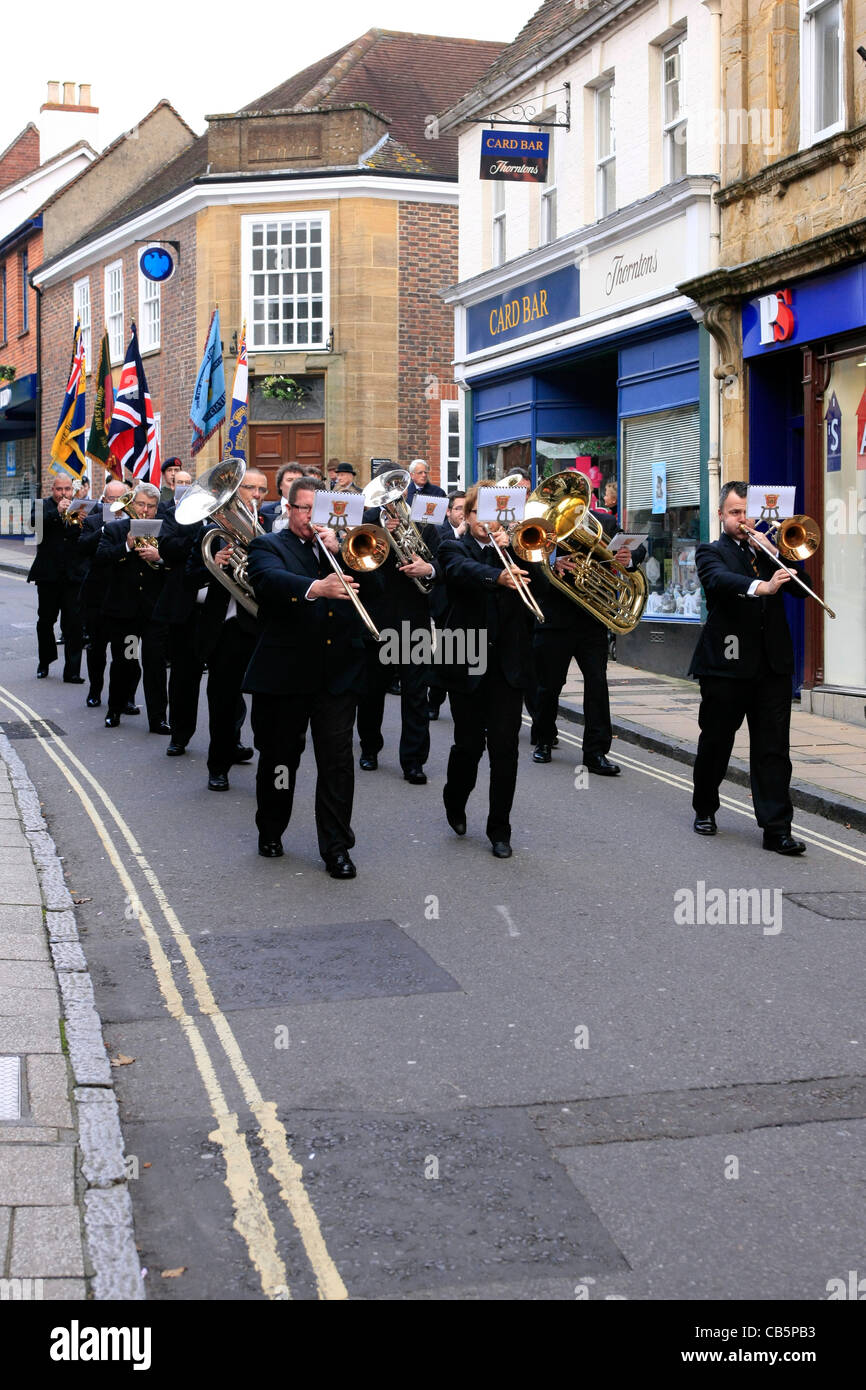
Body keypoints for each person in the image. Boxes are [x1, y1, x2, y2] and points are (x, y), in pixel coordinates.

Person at [243, 477, 373, 875]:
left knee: (337, 763)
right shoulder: (269, 545)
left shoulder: (345, 548)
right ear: (288, 509)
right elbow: (268, 581)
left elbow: (379, 587)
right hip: (287, 673)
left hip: (336, 676)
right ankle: (272, 827)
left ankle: (336, 847)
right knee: (281, 760)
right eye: (304, 510)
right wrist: (316, 586)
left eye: (319, 512)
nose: (311, 519)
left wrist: (345, 557)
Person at [689, 480, 807, 855]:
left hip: (772, 665)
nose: (743, 519)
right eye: (735, 512)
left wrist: (778, 554)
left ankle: (777, 829)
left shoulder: (770, 551)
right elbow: (720, 581)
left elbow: (803, 590)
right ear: (721, 515)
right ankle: (705, 807)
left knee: (774, 749)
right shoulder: (711, 552)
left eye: (747, 512)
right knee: (716, 741)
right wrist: (762, 586)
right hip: (726, 663)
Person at [436, 484, 544, 858]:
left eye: (496, 513)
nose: (488, 520)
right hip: (466, 659)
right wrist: (496, 576)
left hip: (507, 666)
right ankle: (455, 798)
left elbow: (540, 586)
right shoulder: (453, 547)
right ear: (466, 517)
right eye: (480, 512)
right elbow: (459, 572)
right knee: (468, 746)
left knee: (505, 749)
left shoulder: (516, 549)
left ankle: (500, 828)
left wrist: (526, 554)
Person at [531, 489, 644, 774]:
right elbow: (529, 561)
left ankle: (595, 753)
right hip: (554, 618)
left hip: (591, 618)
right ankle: (543, 739)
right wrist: (552, 561)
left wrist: (628, 557)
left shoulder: (604, 522)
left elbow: (640, 548)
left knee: (597, 684)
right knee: (549, 685)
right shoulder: (543, 526)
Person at [356, 487, 441, 783]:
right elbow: (355, 562)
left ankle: (414, 761)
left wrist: (427, 568)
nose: (392, 501)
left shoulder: (423, 520)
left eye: (398, 492)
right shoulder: (367, 520)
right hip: (377, 621)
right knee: (370, 693)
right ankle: (369, 748)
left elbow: (442, 558)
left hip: (413, 622)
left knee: (416, 694)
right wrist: (381, 532)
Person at [195, 468, 272, 788]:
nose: (256, 495)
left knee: (269, 708)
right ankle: (219, 766)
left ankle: (270, 774)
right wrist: (218, 563)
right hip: (227, 629)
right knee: (223, 702)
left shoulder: (273, 531)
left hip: (263, 627)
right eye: (249, 488)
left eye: (263, 490)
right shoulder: (209, 532)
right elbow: (187, 578)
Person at [93, 482, 170, 732]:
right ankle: (114, 709)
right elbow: (102, 559)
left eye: (150, 506)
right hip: (124, 612)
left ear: (157, 508)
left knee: (155, 665)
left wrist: (159, 557)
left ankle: (158, 718)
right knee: (124, 662)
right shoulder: (115, 529)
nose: (145, 511)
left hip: (153, 612)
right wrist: (126, 546)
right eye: (140, 505)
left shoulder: (164, 531)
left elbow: (175, 563)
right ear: (131, 504)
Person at [27, 475, 86, 682]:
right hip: (48, 576)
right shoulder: (42, 505)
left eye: (67, 489)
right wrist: (57, 512)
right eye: (59, 489)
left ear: (72, 490)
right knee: (45, 622)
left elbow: (87, 537)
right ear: (52, 489)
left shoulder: (80, 507)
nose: (64, 493)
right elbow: (33, 526)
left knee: (74, 625)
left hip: (73, 576)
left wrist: (84, 521)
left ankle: (72, 671)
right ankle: (45, 661)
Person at [77, 478, 129, 707]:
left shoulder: (134, 522)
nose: (116, 503)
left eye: (121, 499)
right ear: (103, 499)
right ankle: (95, 690)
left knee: (128, 652)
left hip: (127, 598)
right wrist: (104, 529)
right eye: (111, 499)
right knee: (97, 649)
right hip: (97, 597)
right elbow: (83, 547)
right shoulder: (93, 521)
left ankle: (126, 697)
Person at [261, 463, 304, 531]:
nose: (295, 484)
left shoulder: (312, 511)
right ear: (280, 485)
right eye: (290, 480)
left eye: (299, 480)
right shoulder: (265, 512)